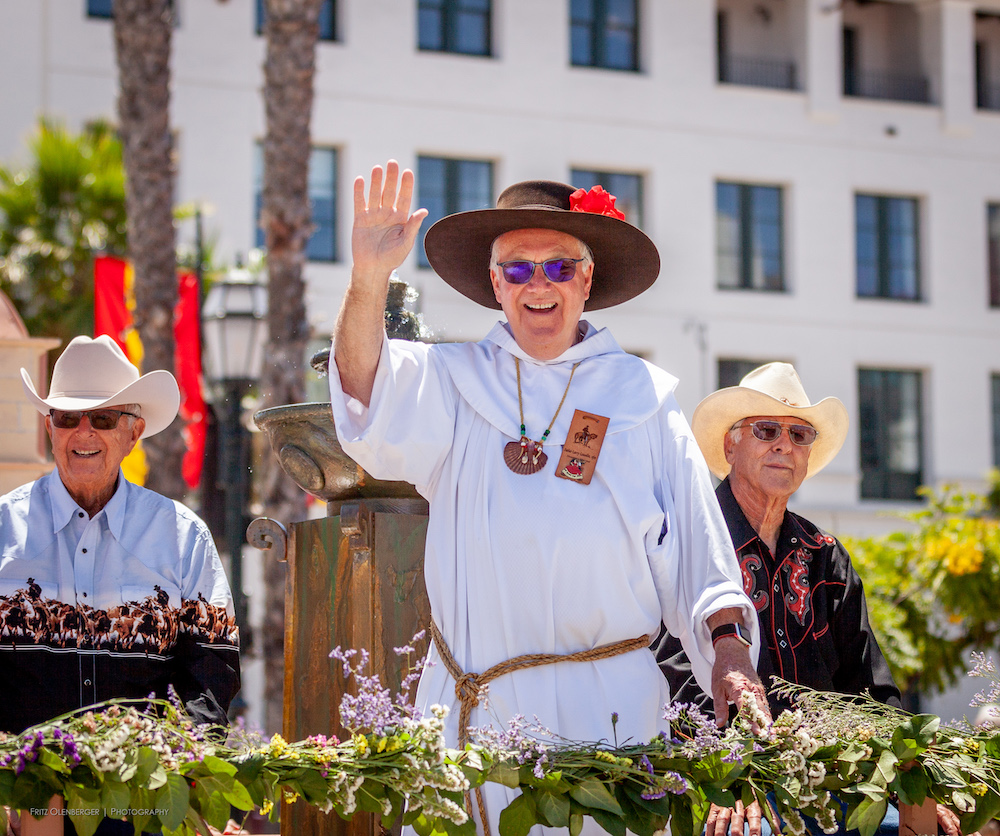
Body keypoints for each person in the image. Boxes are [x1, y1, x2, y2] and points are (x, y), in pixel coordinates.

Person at [329, 160, 769, 835]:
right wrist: (368, 278)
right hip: (474, 716)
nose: (539, 285)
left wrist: (731, 654)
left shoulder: (643, 397)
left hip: (610, 718)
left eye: (559, 268)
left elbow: (700, 551)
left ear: (587, 280)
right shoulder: (451, 380)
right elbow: (364, 389)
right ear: (494, 285)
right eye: (517, 269)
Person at [653, 362, 964, 836]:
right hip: (720, 779)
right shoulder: (685, 541)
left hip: (828, 782)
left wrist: (918, 775)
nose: (785, 444)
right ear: (729, 445)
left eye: (800, 434)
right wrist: (726, 777)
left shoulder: (826, 557)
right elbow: (671, 672)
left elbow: (872, 687)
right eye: (767, 429)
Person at [0, 335, 240, 834]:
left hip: (143, 808)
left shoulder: (183, 537)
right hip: (24, 806)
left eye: (103, 418)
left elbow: (211, 674)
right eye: (68, 417)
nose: (83, 431)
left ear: (134, 434)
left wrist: (179, 768)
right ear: (50, 429)